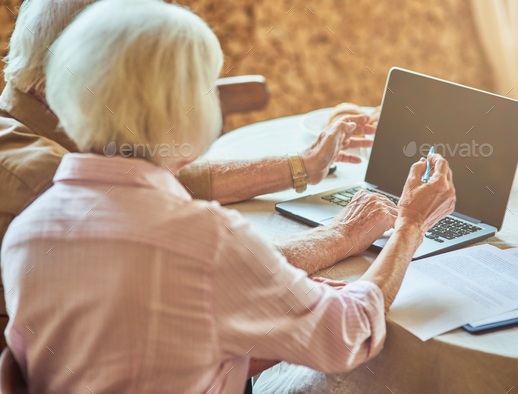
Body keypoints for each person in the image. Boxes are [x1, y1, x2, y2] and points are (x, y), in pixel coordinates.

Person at [1, 0, 455, 392]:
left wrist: (304, 166)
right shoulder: (206, 240)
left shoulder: (27, 231)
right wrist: (410, 226)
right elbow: (347, 335)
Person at [0, 0, 374, 252]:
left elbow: (160, 182)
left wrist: (306, 165)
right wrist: (340, 236)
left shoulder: (49, 124)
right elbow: (214, 277)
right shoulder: (39, 176)